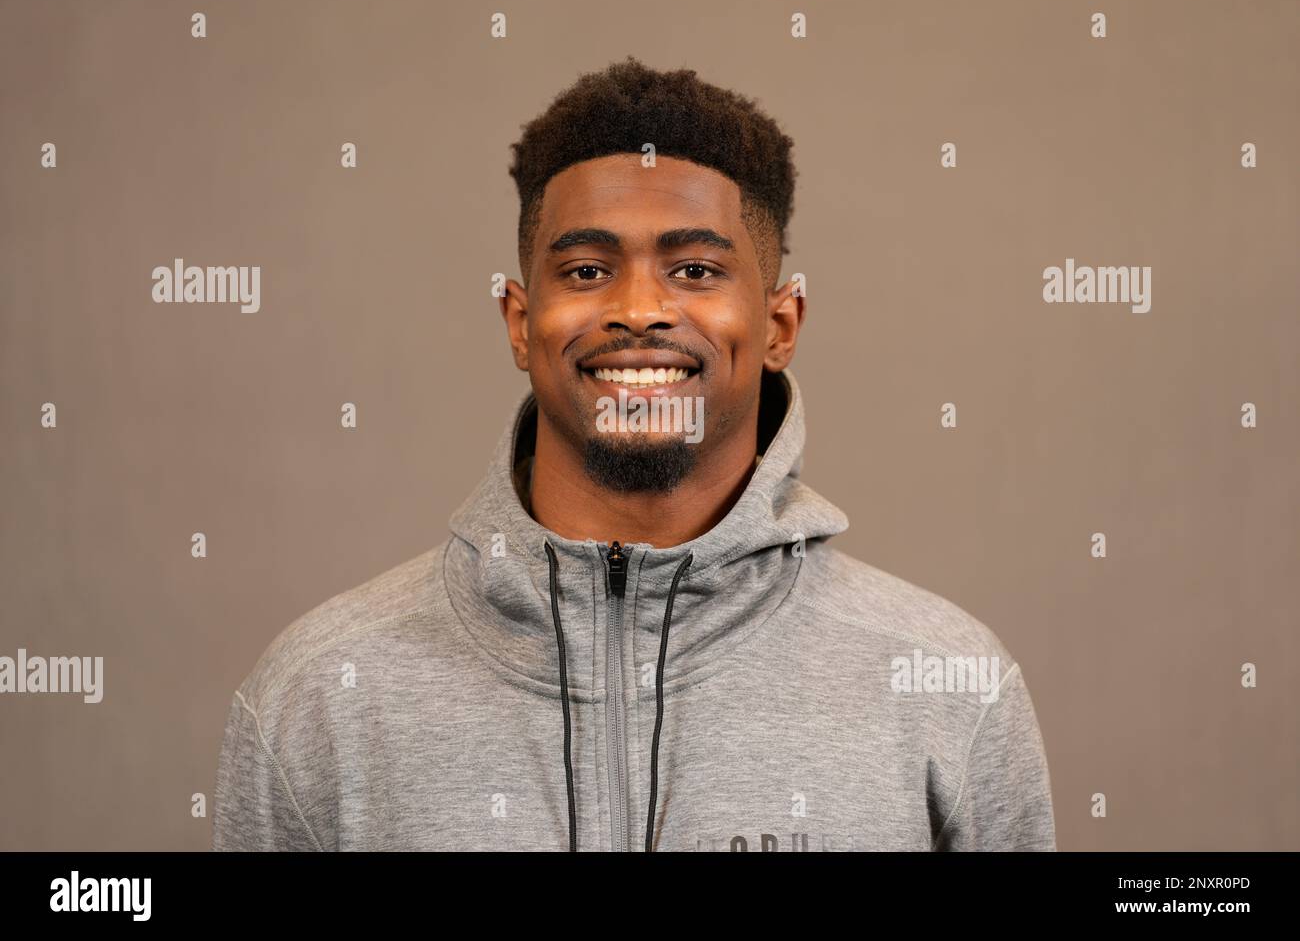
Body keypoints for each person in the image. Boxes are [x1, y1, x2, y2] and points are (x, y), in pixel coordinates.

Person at [213, 57, 1055, 851]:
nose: (640, 309)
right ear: (517, 320)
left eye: (693, 268)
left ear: (778, 326)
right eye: (585, 271)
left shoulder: (945, 682)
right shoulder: (323, 692)